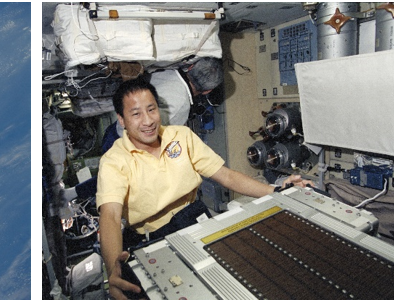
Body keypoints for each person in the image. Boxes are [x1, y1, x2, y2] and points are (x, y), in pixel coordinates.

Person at [96, 77, 311, 300]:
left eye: (152, 109)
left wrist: (275, 191)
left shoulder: (181, 136)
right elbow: (110, 215)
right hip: (152, 236)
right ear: (121, 120)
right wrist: (113, 270)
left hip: (193, 216)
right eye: (136, 114)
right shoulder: (114, 160)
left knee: (230, 286)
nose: (148, 120)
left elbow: (225, 175)